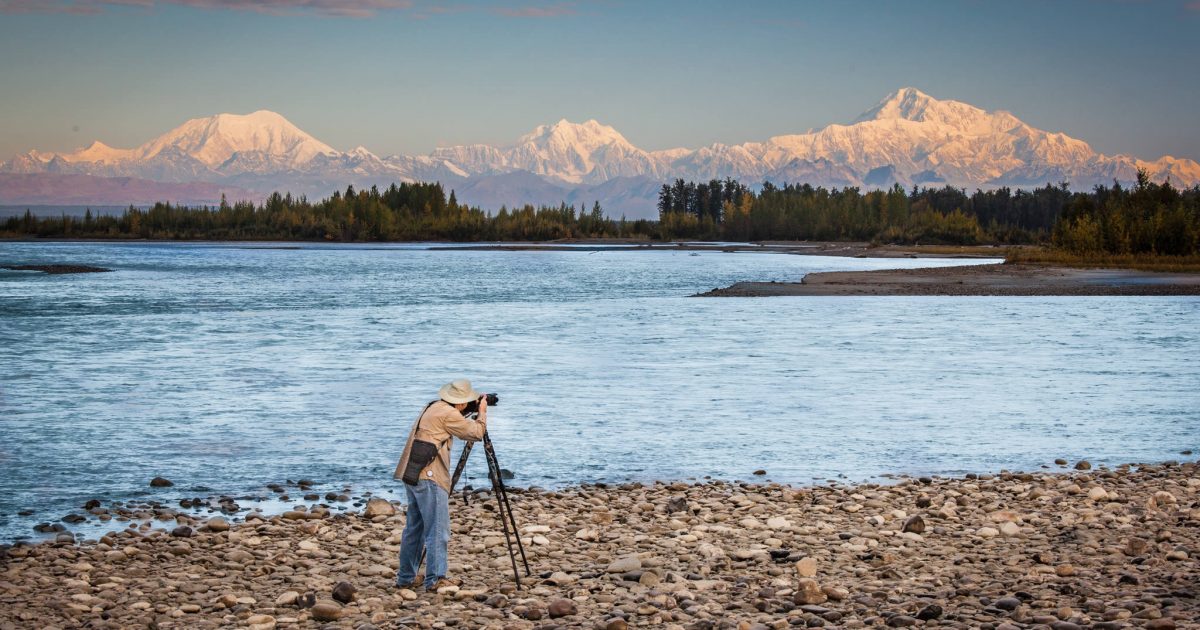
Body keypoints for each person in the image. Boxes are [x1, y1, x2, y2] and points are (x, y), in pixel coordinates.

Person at [393, 379, 487, 592]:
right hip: (430, 476)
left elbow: (451, 426)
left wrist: (469, 411)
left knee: (414, 529)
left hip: (412, 472)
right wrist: (481, 412)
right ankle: (435, 578)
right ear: (462, 403)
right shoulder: (449, 414)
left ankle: (406, 577)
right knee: (437, 530)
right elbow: (476, 433)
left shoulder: (433, 406)